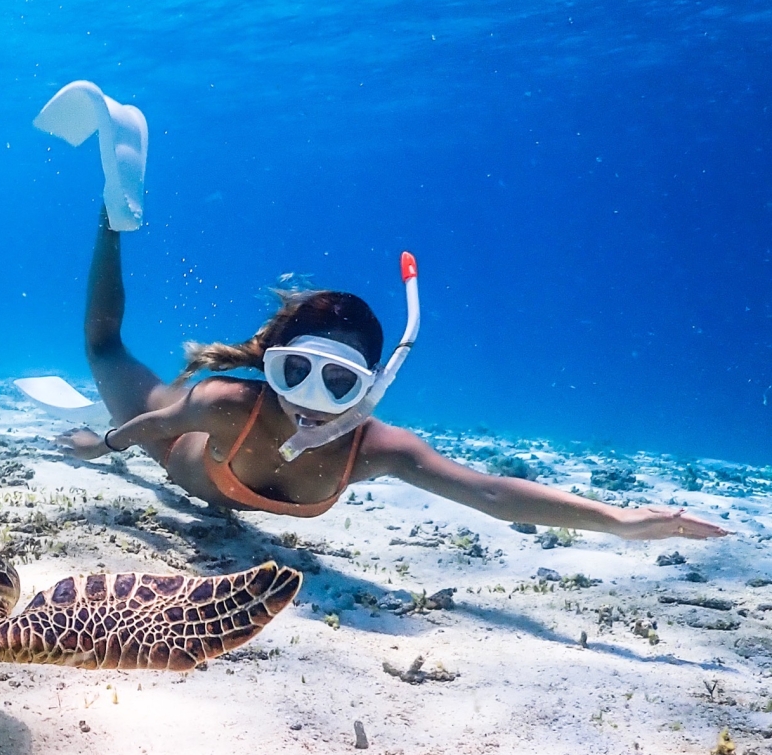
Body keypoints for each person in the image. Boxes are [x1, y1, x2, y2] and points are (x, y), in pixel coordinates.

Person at [56, 207, 727, 542]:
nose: (313, 407)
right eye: (296, 374)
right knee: (104, 346)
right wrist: (107, 444)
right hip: (175, 447)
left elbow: (491, 494)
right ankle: (113, 221)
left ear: (371, 386)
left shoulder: (376, 449)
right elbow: (159, 422)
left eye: (340, 384)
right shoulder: (232, 401)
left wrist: (619, 518)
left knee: (110, 354)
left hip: (201, 442)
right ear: (272, 367)